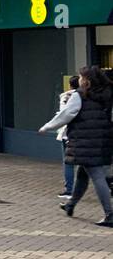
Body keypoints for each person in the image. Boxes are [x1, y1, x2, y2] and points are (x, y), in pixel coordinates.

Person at [55, 66, 113, 226]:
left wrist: (47, 127)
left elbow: (66, 115)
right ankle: (71, 204)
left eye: (81, 77)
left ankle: (109, 214)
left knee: (97, 176)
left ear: (87, 80)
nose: (79, 79)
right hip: (102, 140)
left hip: (86, 142)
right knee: (82, 174)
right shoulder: (107, 95)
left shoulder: (80, 95)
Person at [40, 75, 81, 199]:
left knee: (68, 163)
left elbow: (63, 115)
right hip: (82, 134)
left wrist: (47, 127)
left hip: (68, 134)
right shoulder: (88, 96)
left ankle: (69, 190)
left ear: (70, 85)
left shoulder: (67, 97)